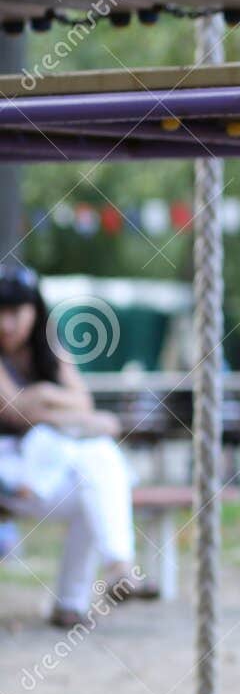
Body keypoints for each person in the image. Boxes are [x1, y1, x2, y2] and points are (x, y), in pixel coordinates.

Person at [0, 262, 157, 628]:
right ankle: (107, 573)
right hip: (12, 472)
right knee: (96, 461)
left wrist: (47, 399)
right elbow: (18, 411)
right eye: (0, 312)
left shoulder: (49, 349)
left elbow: (80, 403)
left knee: (97, 471)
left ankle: (101, 579)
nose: (6, 323)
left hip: (45, 468)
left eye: (14, 312)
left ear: (34, 311)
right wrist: (68, 411)